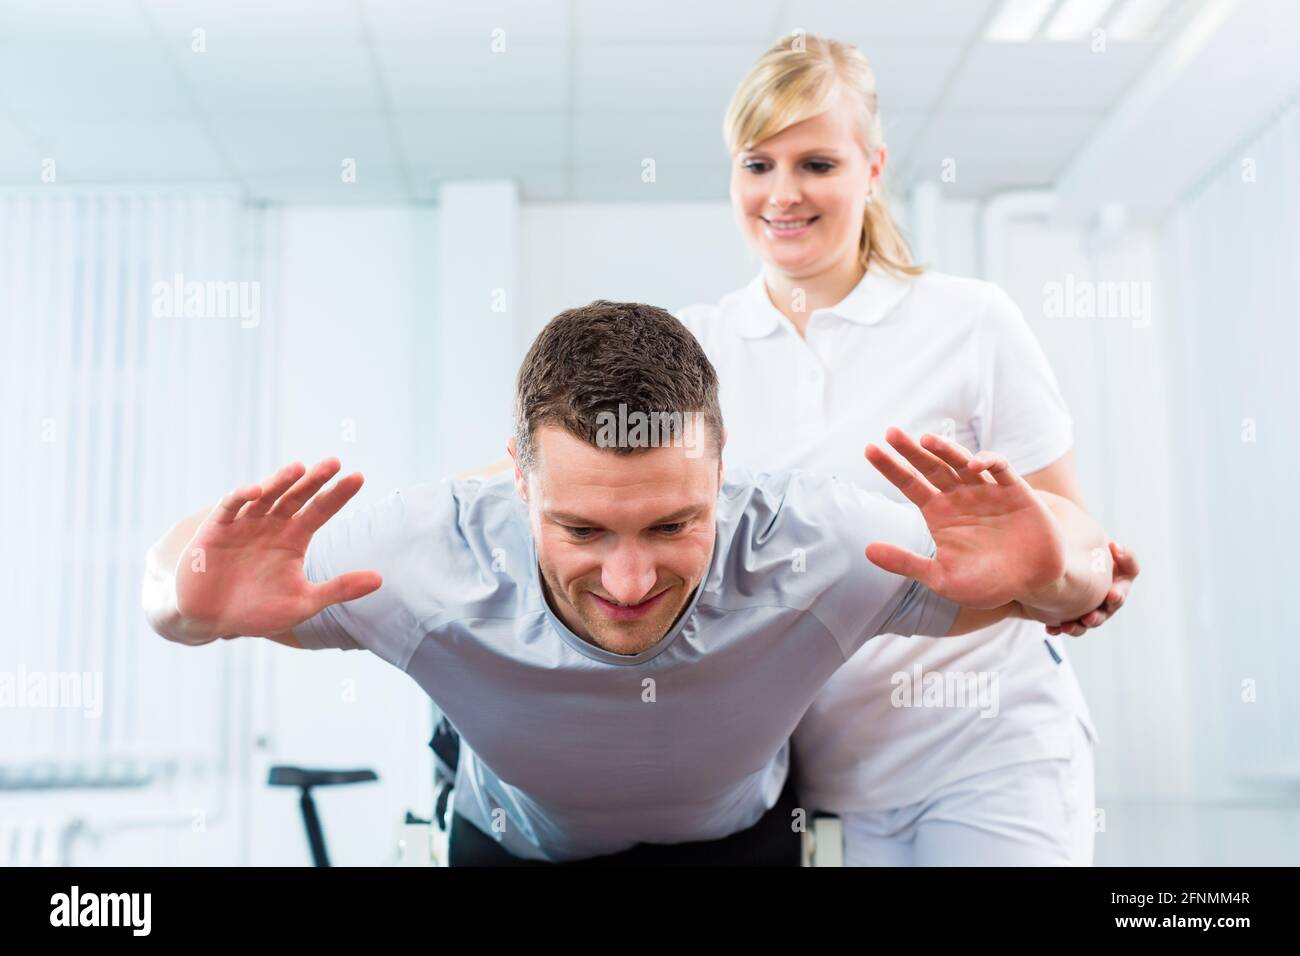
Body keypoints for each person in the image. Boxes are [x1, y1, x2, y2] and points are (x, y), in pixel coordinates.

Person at [142, 301, 1112, 865]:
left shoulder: (811, 540)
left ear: (722, 467)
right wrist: (184, 603)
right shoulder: (422, 551)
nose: (630, 577)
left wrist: (1054, 568)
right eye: (581, 528)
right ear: (517, 480)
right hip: (515, 849)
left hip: (734, 847)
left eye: (672, 522)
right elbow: (174, 590)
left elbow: (1073, 572)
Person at [674, 33, 1141, 865]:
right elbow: (556, 472)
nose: (783, 193)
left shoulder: (970, 322)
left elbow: (1067, 529)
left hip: (990, 753)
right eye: (757, 164)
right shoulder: (695, 352)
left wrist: (1066, 572)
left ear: (872, 168)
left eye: (817, 163)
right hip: (821, 781)